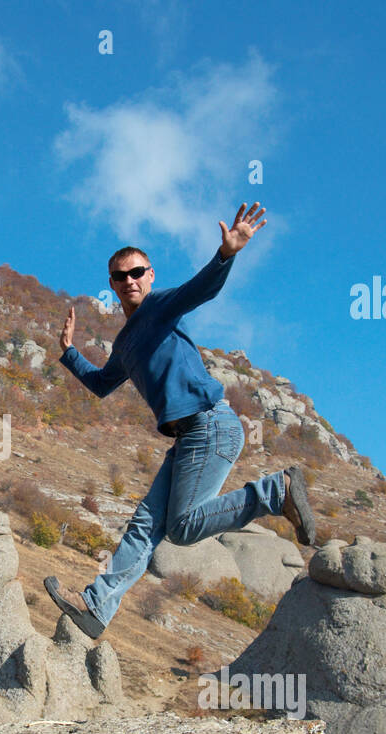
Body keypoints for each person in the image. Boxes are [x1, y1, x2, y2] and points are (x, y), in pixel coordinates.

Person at [44, 202, 316, 639]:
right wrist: (69, 350)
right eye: (120, 276)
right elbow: (100, 384)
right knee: (145, 526)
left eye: (137, 272)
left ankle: (274, 491)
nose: (129, 280)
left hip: (209, 424)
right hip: (188, 437)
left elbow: (200, 290)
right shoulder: (126, 342)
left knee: (183, 528)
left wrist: (226, 254)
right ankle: (96, 607)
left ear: (150, 276)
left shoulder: (160, 307)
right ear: (111, 285)